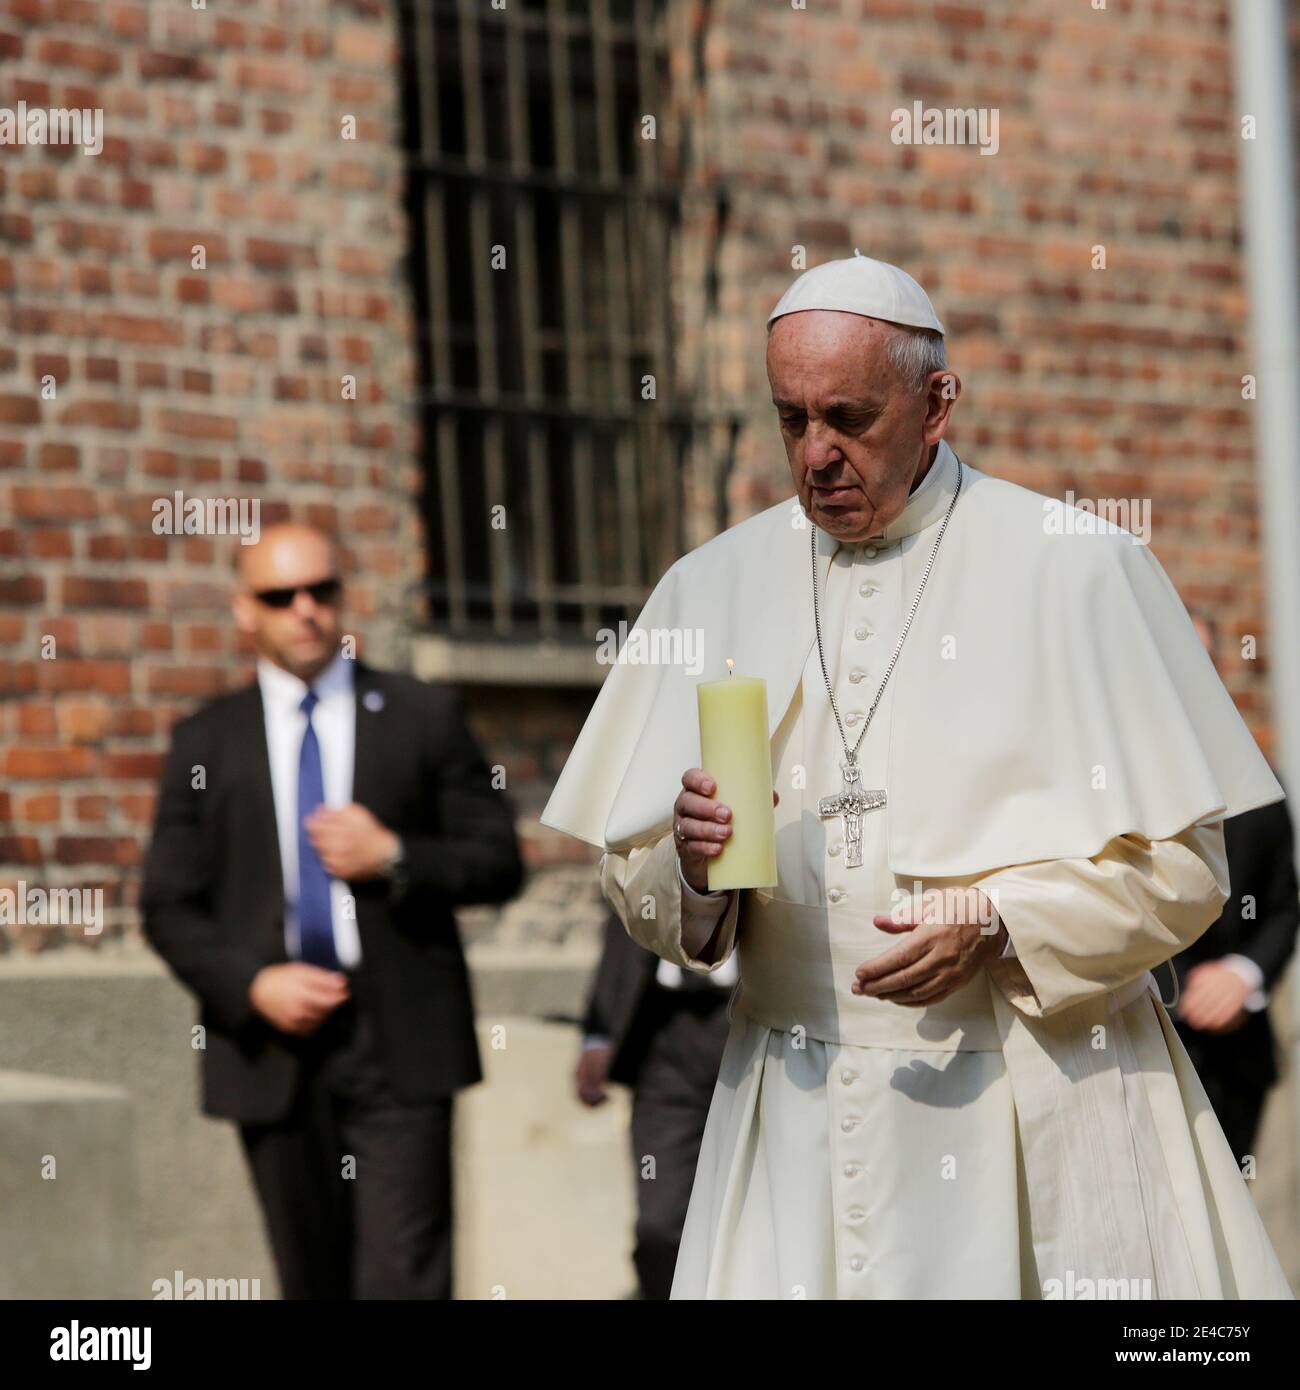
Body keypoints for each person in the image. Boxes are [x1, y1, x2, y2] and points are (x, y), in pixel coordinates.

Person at [541, 252, 1293, 1299]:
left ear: (937, 403)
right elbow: (640, 887)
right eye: (790, 419)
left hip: (1029, 1093)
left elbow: (1187, 867)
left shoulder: (1072, 566)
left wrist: (1001, 921)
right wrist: (693, 865)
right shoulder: (709, 585)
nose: (816, 455)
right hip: (791, 1095)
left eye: (848, 417)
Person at [142, 522, 522, 1298]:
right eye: (282, 596)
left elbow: (498, 860)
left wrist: (394, 856)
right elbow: (166, 905)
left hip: (400, 1038)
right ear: (246, 611)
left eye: (322, 590)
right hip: (272, 1048)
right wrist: (252, 986)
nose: (306, 609)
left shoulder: (420, 715)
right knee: (309, 1279)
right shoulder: (205, 741)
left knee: (404, 1277)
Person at [1171, 614, 1299, 1167]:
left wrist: (1242, 976)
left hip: (1234, 1067)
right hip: (1132, 1056)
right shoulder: (1098, 781)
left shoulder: (1258, 784)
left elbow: (1282, 906)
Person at [575, 907, 734, 1298]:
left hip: (764, 1028)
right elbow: (623, 911)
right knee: (658, 1227)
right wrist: (598, 1034)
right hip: (665, 1040)